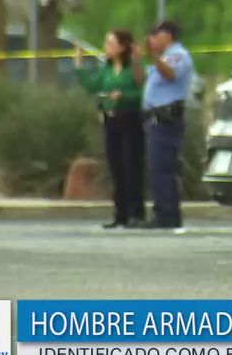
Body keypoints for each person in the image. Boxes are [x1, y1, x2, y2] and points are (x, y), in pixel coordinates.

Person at [74, 29, 147, 229]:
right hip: (111, 119)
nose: (107, 47)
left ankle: (136, 213)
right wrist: (79, 66)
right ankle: (120, 213)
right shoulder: (106, 69)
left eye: (111, 43)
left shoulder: (132, 68)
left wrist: (123, 95)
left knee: (132, 165)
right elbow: (92, 86)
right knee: (116, 166)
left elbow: (142, 92)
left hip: (129, 118)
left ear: (123, 47)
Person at [140, 21, 193, 233]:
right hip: (155, 119)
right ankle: (162, 211)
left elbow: (170, 74)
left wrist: (153, 55)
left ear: (168, 35)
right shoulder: (163, 58)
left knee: (163, 168)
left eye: (156, 35)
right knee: (157, 167)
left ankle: (168, 214)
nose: (152, 39)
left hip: (167, 119)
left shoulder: (178, 55)